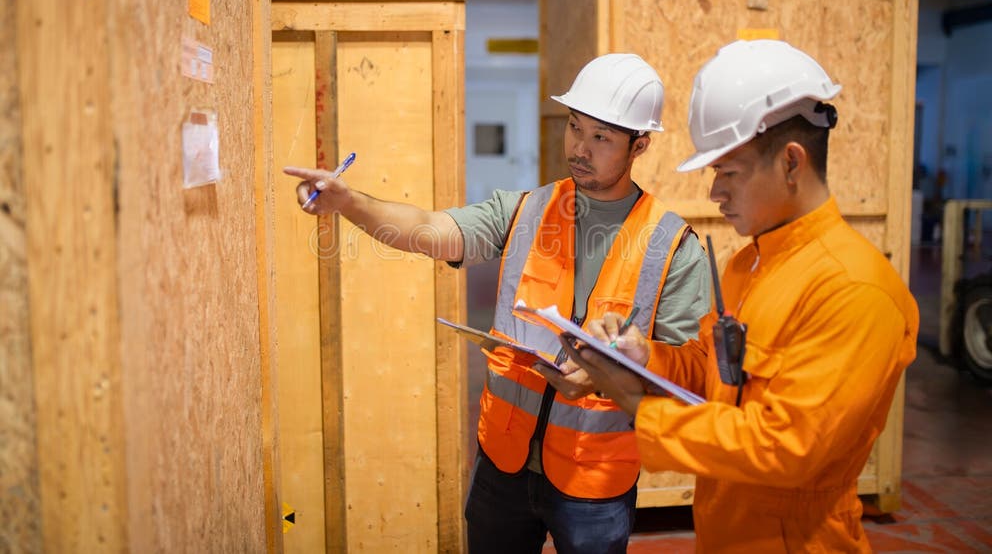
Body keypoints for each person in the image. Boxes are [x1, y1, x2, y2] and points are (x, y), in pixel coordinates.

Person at [284, 53, 711, 553]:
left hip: (594, 478)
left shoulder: (672, 246)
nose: (579, 148)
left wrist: (604, 378)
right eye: (575, 127)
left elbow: (686, 374)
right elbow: (429, 229)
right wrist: (348, 202)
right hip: (502, 461)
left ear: (640, 145)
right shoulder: (525, 210)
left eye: (601, 137)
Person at [564, 40, 919, 552]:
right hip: (723, 532)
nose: (716, 193)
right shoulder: (747, 266)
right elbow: (712, 372)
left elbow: (787, 449)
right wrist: (643, 357)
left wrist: (636, 403)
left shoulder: (854, 290)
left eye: (729, 172)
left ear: (791, 163)